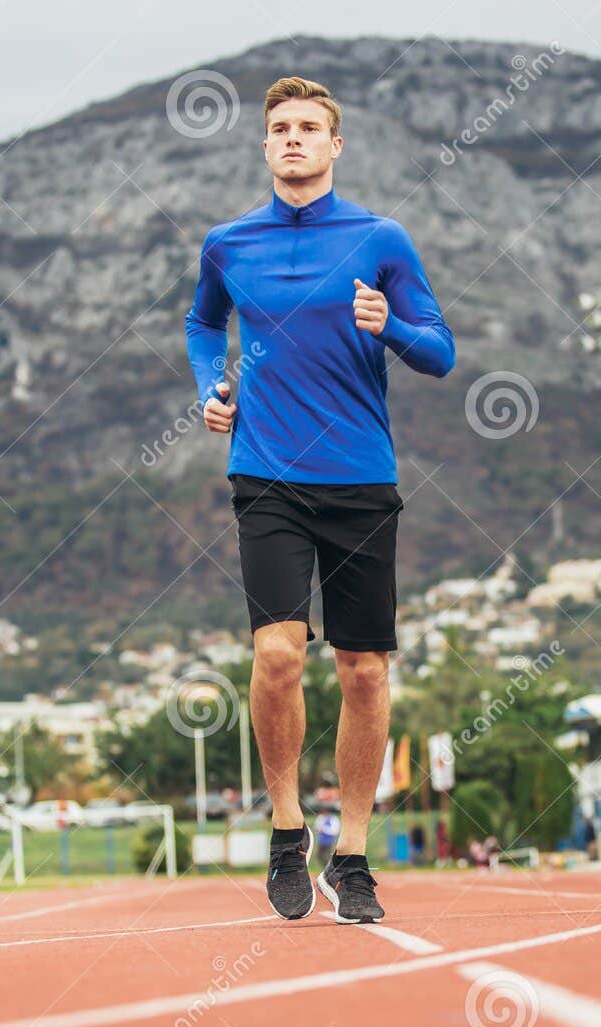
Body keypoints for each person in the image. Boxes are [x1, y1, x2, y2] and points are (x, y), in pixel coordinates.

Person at [186, 76, 455, 925]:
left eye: (309, 127)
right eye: (280, 128)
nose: (294, 138)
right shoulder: (227, 244)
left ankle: (355, 856)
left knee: (365, 670)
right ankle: (286, 828)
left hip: (360, 478)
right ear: (264, 147)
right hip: (265, 473)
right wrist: (210, 386)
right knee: (277, 654)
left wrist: (391, 328)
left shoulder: (380, 238)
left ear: (336, 146)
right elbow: (202, 324)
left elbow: (441, 352)